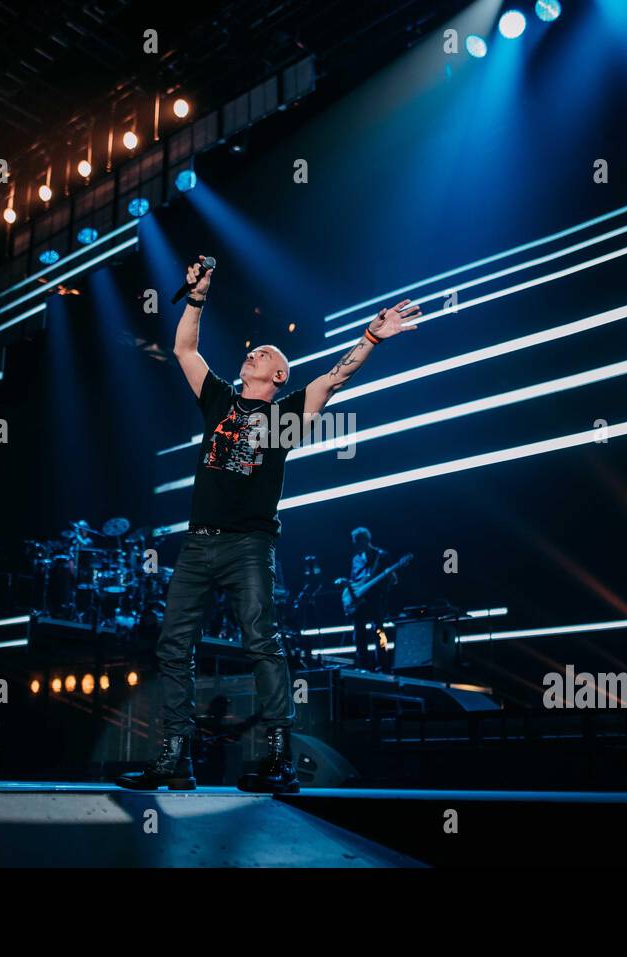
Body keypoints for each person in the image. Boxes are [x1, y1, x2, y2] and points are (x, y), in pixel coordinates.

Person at [116, 256, 421, 793]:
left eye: (264, 354)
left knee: (262, 642)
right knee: (173, 645)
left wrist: (373, 336)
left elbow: (337, 376)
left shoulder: (288, 415)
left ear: (278, 375)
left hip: (249, 545)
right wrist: (197, 297)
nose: (251, 352)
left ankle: (278, 757)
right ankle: (174, 757)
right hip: (197, 546)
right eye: (252, 350)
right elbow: (186, 348)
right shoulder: (218, 401)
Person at [347, 527, 396, 672]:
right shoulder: (355, 559)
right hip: (360, 602)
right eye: (354, 542)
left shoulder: (381, 555)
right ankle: (364, 665)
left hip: (376, 600)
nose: (355, 545)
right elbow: (354, 580)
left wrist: (385, 581)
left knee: (379, 631)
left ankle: (383, 663)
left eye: (357, 541)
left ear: (366, 540)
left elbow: (392, 579)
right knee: (359, 634)